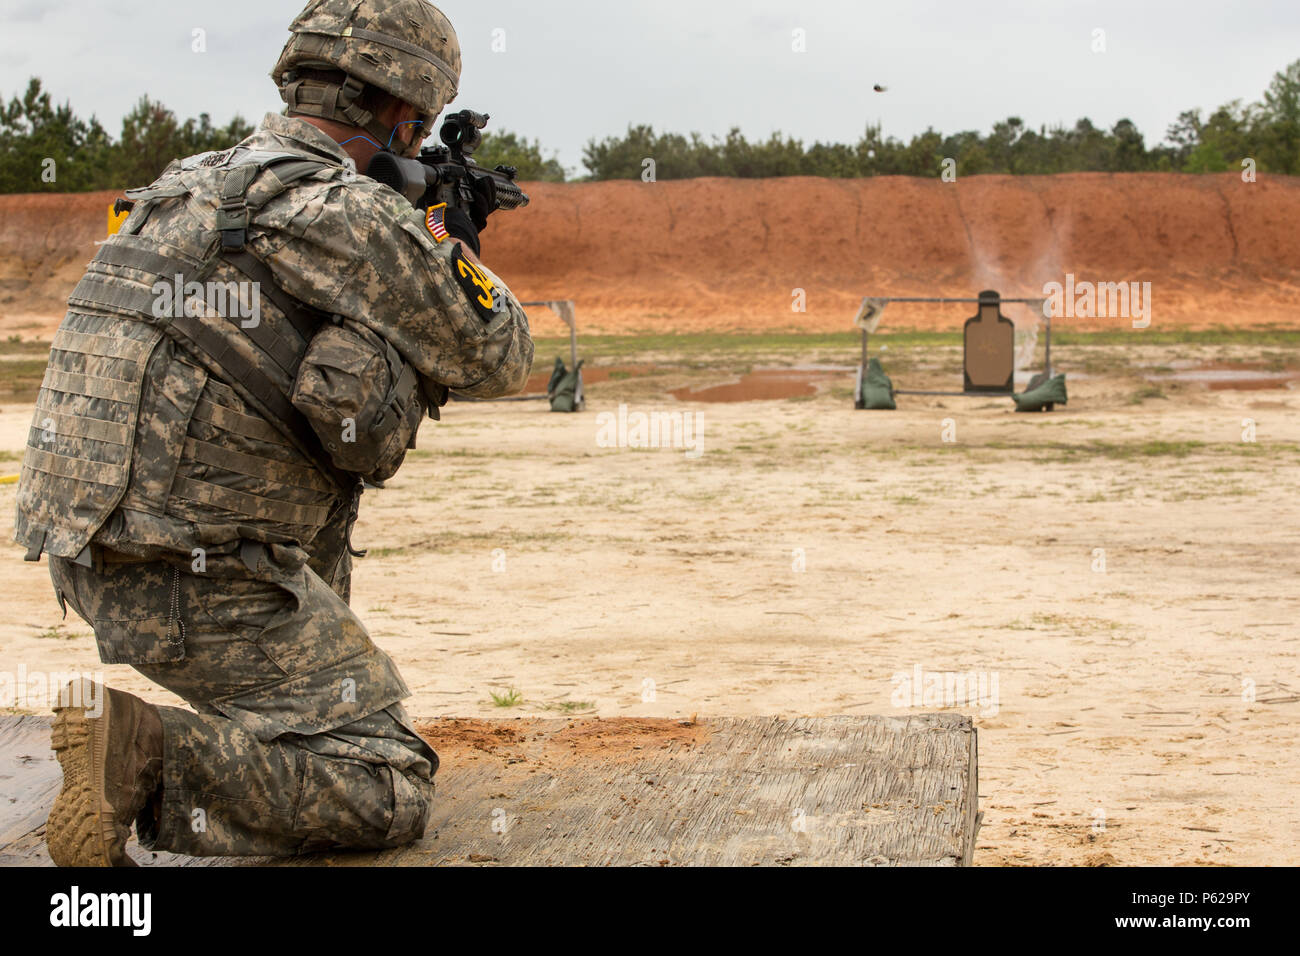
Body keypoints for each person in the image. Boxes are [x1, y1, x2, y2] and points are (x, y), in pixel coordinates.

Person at [17, 0, 533, 866]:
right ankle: (151, 754)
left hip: (88, 548)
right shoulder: (345, 212)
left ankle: (223, 735)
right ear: (409, 116)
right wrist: (448, 235)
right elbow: (498, 354)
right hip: (197, 578)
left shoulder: (184, 183)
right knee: (385, 785)